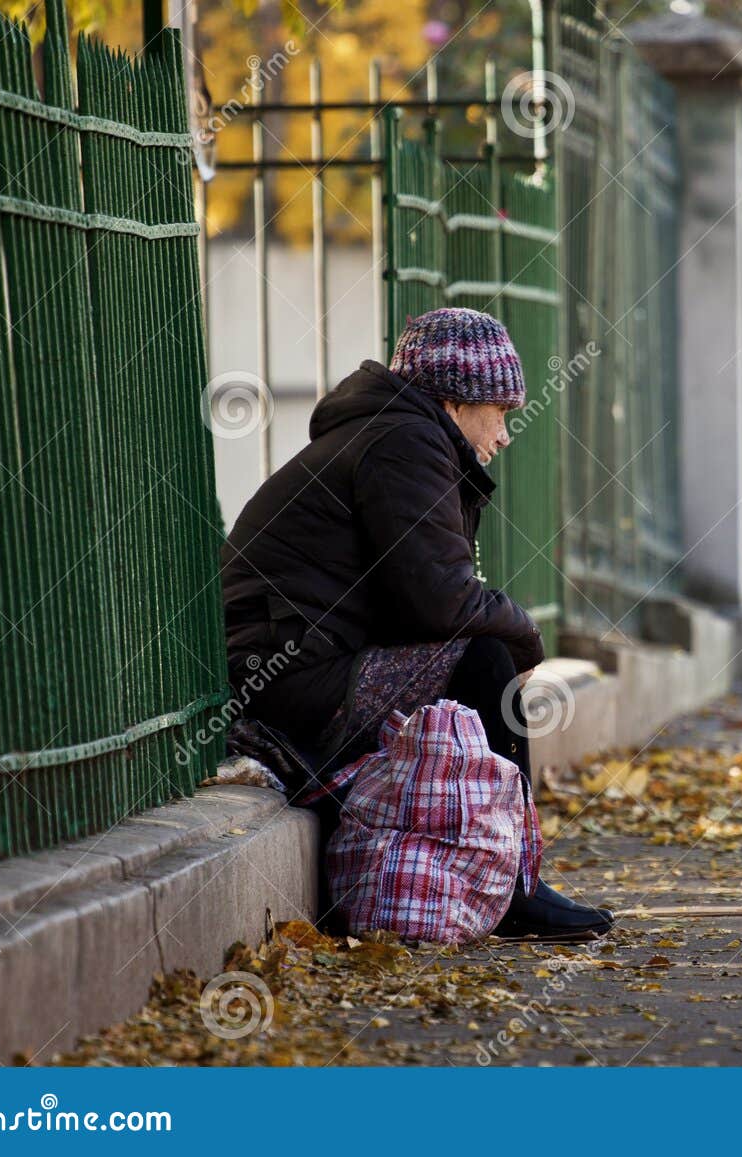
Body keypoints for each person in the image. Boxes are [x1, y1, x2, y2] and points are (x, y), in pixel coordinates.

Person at [220, 307, 613, 942]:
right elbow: (439, 602)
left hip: (292, 668)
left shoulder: (391, 433)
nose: (506, 434)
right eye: (502, 412)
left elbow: (416, 599)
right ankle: (513, 883)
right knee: (484, 656)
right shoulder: (405, 442)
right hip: (290, 682)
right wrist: (523, 634)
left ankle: (487, 867)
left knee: (480, 651)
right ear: (457, 402)